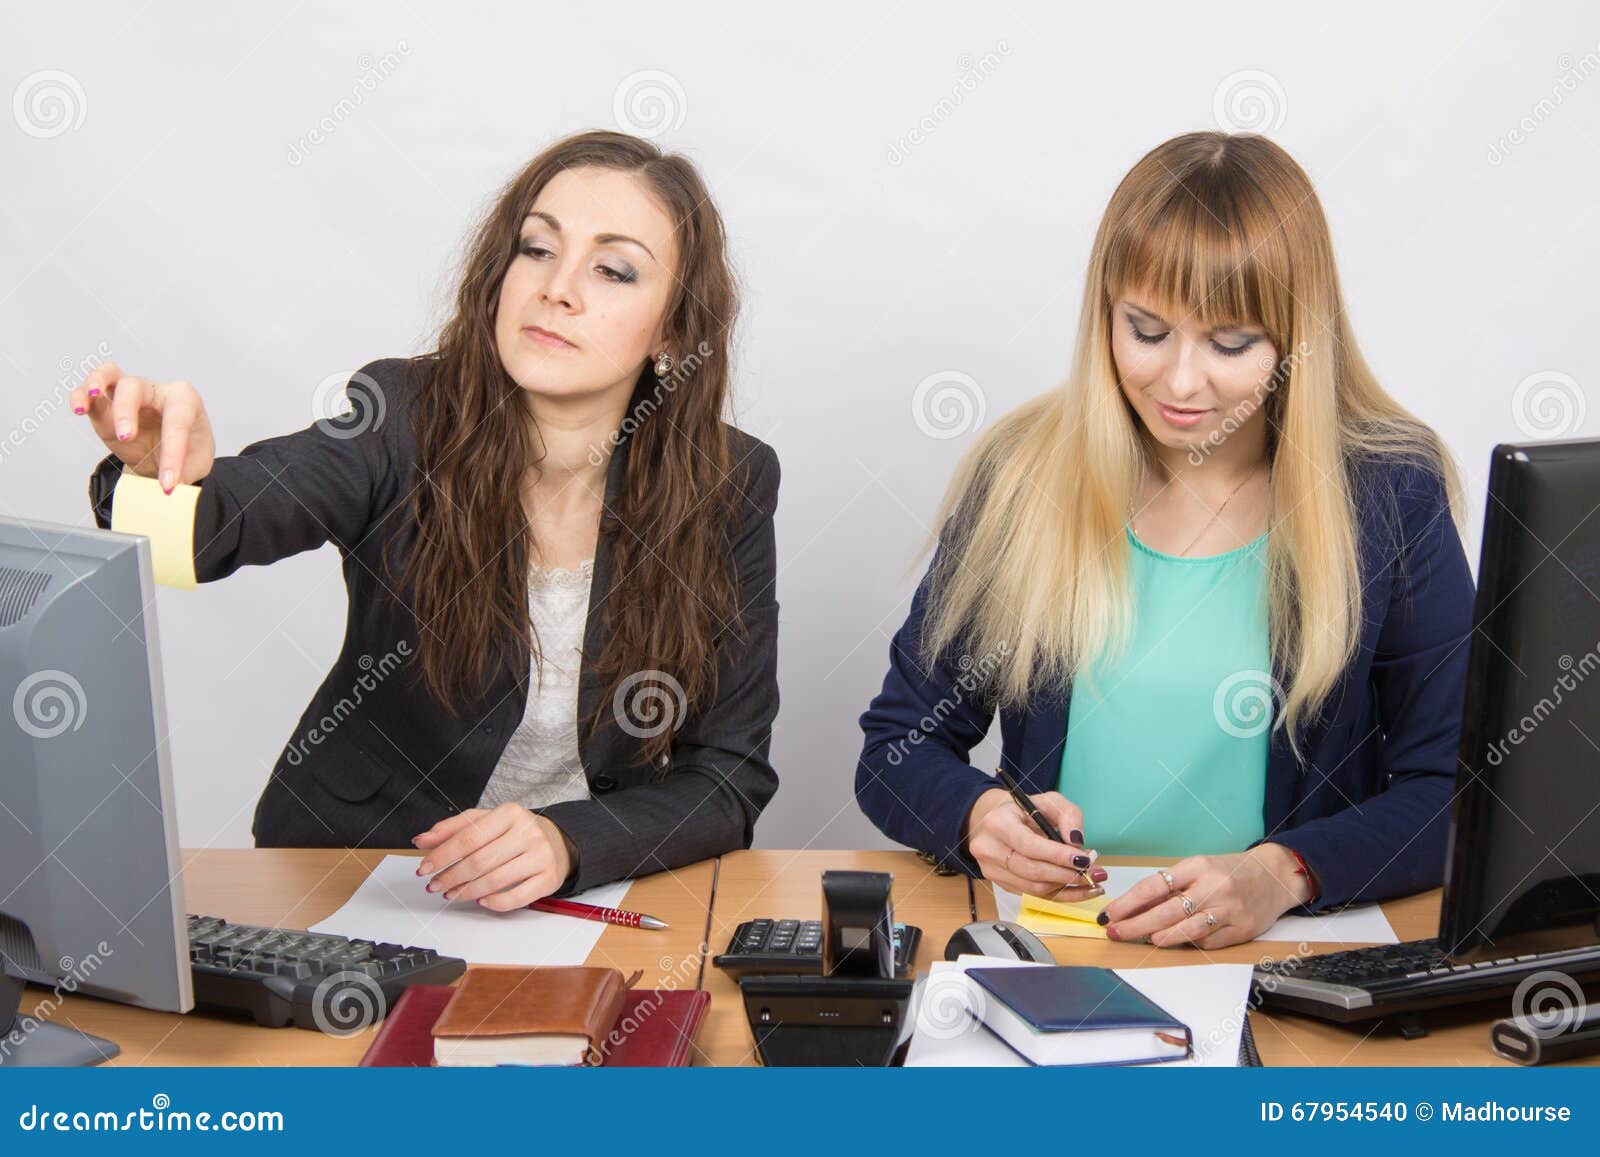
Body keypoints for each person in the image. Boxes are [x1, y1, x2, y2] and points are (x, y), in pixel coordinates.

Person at [75, 130, 780, 908]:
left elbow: (727, 774)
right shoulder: (399, 417)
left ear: (674, 332)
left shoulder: (731, 483)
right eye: (537, 249)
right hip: (359, 873)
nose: (558, 288)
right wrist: (155, 471)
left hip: (582, 896)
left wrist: (569, 839)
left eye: (613, 269)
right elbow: (216, 529)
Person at [855, 131, 1474, 949]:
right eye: (1146, 331)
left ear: (1298, 340)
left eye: (1231, 343)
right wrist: (976, 812)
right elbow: (898, 747)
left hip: (1274, 960)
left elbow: (1457, 788)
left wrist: (1285, 871)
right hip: (1058, 947)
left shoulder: (1390, 492)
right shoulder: (1022, 476)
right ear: (1102, 315)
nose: (1181, 383)